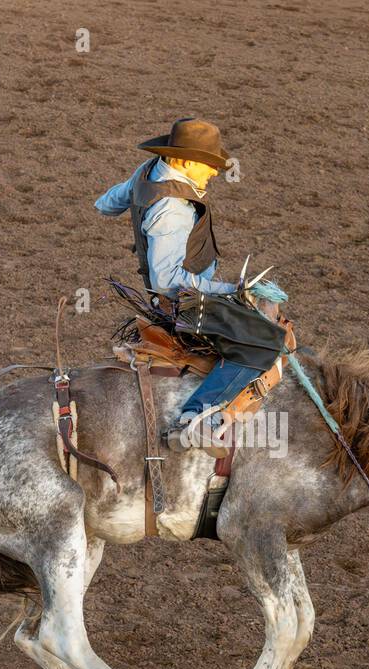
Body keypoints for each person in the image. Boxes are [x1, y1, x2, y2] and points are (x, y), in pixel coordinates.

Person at [94, 118, 284, 447]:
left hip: (176, 295)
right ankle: (196, 416)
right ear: (182, 162)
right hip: (184, 304)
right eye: (208, 165)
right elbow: (168, 281)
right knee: (265, 342)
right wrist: (236, 292)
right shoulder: (172, 208)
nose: (213, 172)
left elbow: (107, 203)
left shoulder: (149, 171)